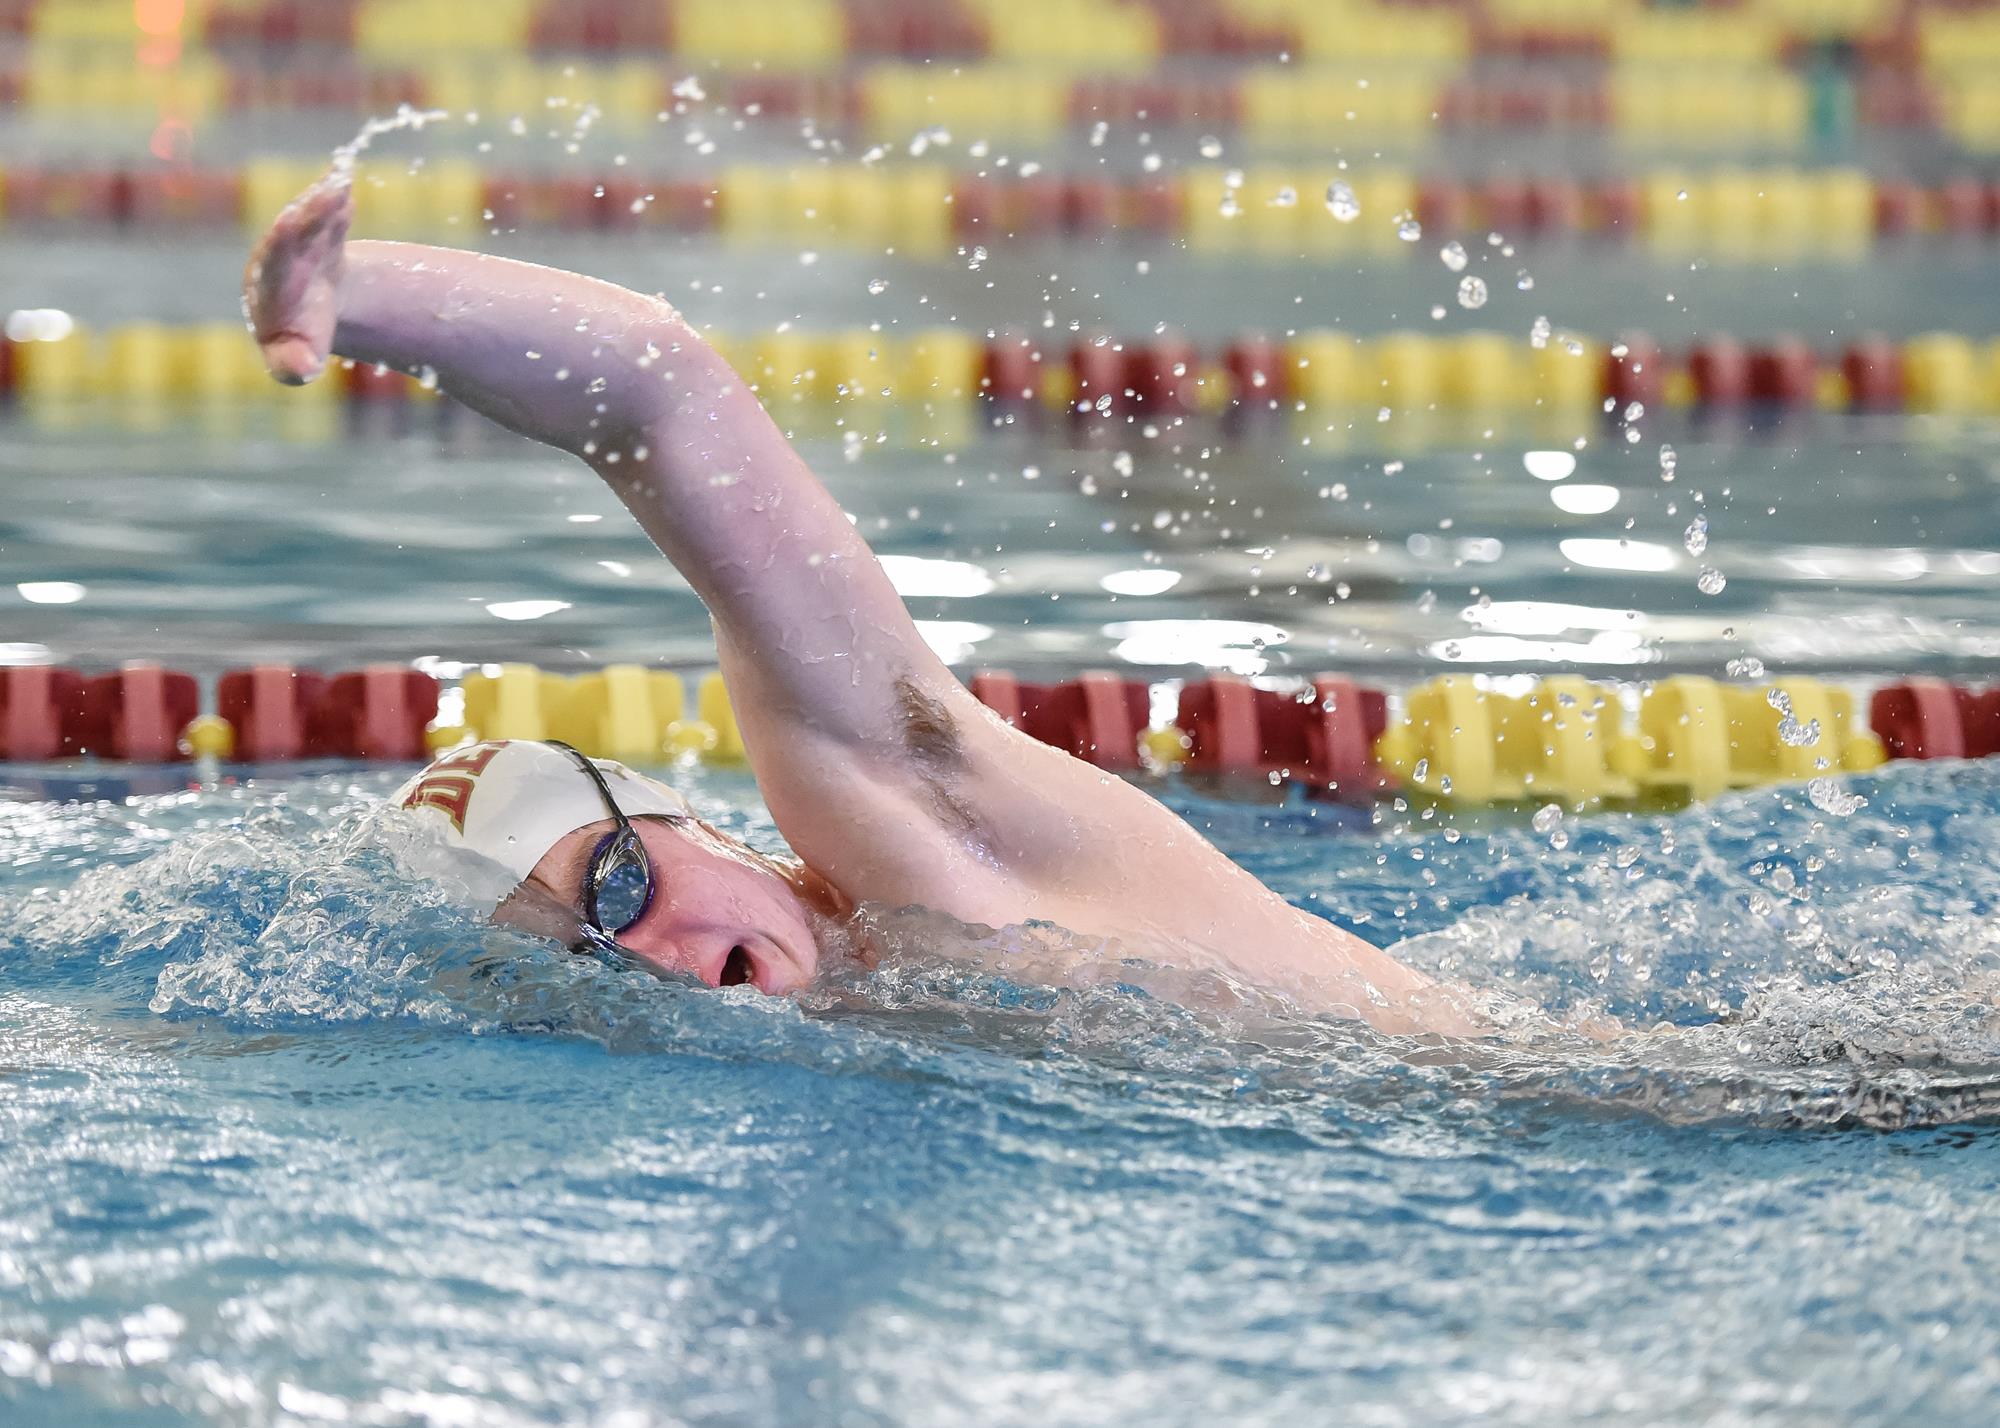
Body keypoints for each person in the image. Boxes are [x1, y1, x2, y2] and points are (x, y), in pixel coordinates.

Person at [244, 171, 1487, 1038]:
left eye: (618, 888)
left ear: (697, 827)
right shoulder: (855, 1011)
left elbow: (652, 391)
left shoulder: (908, 820)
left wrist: (360, 296)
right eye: (585, 962)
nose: (654, 959)